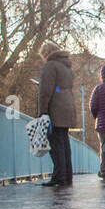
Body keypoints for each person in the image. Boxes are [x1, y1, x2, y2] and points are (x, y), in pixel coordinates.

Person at [37, 40, 77, 187]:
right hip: (68, 106)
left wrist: (42, 111)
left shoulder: (50, 66)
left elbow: (45, 91)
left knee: (56, 143)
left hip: (56, 108)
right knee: (64, 142)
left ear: (46, 53)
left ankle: (59, 176)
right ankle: (67, 175)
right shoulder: (67, 67)